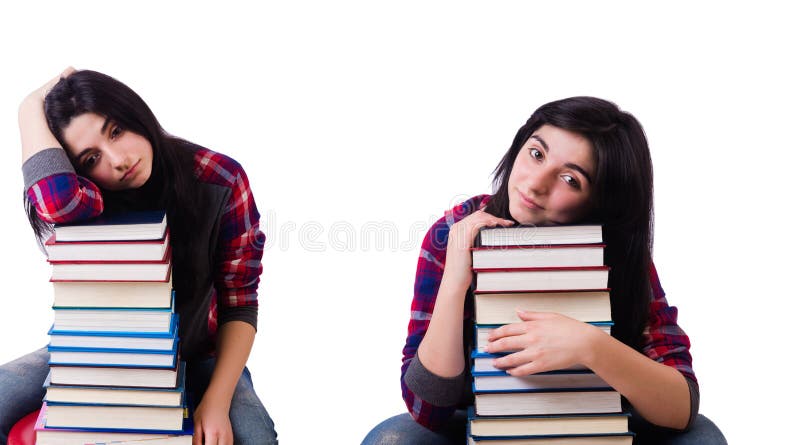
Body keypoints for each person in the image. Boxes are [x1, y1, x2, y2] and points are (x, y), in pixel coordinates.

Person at [362, 97, 726, 444]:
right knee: (393, 438)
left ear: (602, 199)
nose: (535, 184)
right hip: (482, 422)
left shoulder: (617, 253)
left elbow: (682, 408)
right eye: (536, 154)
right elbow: (427, 408)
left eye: (571, 179)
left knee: (703, 437)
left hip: (599, 425)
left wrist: (591, 346)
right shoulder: (454, 232)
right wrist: (456, 283)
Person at [0, 68, 278, 445]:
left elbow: (240, 303)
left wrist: (215, 399)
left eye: (116, 131)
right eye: (90, 157)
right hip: (96, 354)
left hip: (199, 354)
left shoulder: (220, 179)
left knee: (255, 436)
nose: (117, 159)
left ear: (134, 112)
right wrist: (28, 105)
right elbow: (56, 198)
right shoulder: (89, 197)